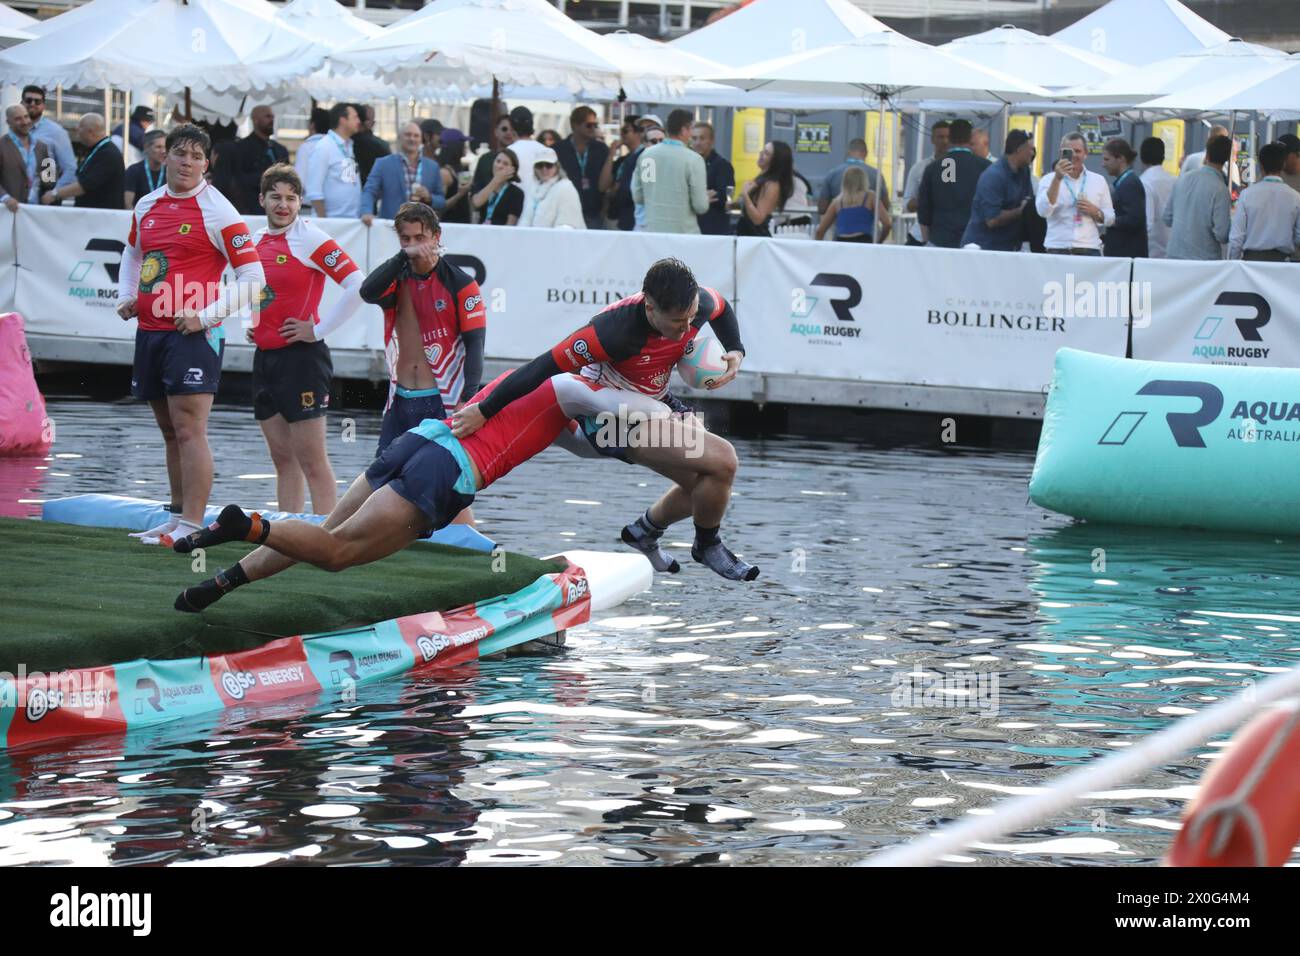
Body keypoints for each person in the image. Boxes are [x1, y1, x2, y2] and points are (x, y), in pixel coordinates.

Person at [171, 370, 674, 612]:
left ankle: (216, 585)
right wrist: (671, 412)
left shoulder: (536, 391)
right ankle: (247, 525)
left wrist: (621, 440)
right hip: (445, 471)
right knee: (337, 554)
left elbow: (587, 447)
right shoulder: (567, 386)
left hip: (421, 439)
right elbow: (607, 402)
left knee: (324, 530)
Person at [451, 258, 758, 582]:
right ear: (650, 308)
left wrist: (735, 349)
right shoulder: (612, 332)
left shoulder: (696, 304)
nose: (686, 331)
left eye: (692, 318)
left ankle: (644, 531)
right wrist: (483, 409)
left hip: (655, 403)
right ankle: (708, 545)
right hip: (610, 423)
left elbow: (721, 309)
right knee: (724, 460)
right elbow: (542, 367)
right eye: (678, 323)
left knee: (708, 487)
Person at [113, 123, 265, 545]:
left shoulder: (220, 210)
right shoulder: (146, 205)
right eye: (180, 154)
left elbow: (253, 278)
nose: (187, 163)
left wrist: (205, 316)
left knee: (189, 429)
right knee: (168, 430)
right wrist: (128, 296)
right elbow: (133, 253)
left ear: (206, 164)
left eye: (197, 157)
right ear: (165, 156)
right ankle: (177, 514)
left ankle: (194, 525)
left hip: (195, 335)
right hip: (151, 330)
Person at [248, 164, 366, 515]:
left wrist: (316, 329)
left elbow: (359, 285)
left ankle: (325, 536)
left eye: (291, 198)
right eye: (275, 198)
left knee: (312, 461)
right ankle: (287, 532)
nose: (283, 205)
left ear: (300, 203)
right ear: (262, 200)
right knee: (283, 460)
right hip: (265, 358)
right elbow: (250, 289)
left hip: (303, 359)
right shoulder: (254, 240)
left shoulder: (311, 237)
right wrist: (251, 322)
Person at [359, 203, 486, 457]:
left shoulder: (460, 283)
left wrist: (468, 399)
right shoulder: (397, 277)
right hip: (399, 399)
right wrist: (403, 256)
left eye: (420, 238)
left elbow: (476, 346)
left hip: (439, 400)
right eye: (406, 239)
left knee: (429, 482)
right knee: (381, 478)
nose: (414, 245)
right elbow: (367, 292)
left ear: (436, 237)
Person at [630, 108, 708, 235]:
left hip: (653, 233)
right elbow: (700, 206)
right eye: (690, 129)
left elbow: (639, 197)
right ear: (683, 130)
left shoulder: (647, 156)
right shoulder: (693, 159)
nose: (691, 135)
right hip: (684, 234)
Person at [1035, 131, 1114, 255]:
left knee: (1082, 276)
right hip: (1058, 248)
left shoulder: (1098, 180)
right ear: (1061, 154)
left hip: (1089, 249)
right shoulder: (1048, 180)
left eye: (1077, 151)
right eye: (1068, 151)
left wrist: (1096, 212)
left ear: (1085, 154)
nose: (1073, 155)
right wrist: (1057, 179)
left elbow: (1110, 218)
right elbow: (1043, 211)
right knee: (1067, 276)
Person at [917, 119, 990, 248]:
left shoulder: (933, 168)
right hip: (974, 240)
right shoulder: (985, 167)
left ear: (950, 138)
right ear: (970, 138)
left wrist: (926, 240)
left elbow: (923, 209)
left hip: (940, 238)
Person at [959, 129, 1035, 252]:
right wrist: (1021, 211)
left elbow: (1028, 201)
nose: (1033, 153)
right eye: (1030, 149)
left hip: (1008, 247)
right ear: (1019, 150)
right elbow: (992, 219)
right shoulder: (994, 176)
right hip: (983, 248)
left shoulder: (1024, 172)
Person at [1228, 142, 1300, 262]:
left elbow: (1236, 238)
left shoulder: (1246, 195)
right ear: (1283, 165)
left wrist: (1233, 262)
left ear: (1261, 165)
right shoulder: (1296, 197)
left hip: (1252, 263)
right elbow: (1299, 237)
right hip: (1283, 263)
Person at [1164, 134, 1231, 261]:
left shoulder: (1183, 178)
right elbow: (1222, 234)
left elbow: (1167, 218)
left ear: (1207, 155)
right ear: (1227, 159)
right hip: (1204, 261)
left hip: (1174, 255)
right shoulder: (1220, 189)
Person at [362, 120, 444, 224]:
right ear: (399, 138)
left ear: (420, 140)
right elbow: (369, 191)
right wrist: (366, 212)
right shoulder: (383, 164)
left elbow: (441, 201)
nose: (412, 139)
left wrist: (429, 197)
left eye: (416, 136)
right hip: (391, 227)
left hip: (422, 229)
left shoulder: (433, 167)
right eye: (408, 135)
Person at [41, 113, 123, 209]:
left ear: (90, 132)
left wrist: (54, 194)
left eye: (80, 127)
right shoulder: (98, 150)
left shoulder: (107, 154)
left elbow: (84, 185)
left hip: (101, 217)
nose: (77, 131)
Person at [226, 104, 290, 216]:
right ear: (255, 120)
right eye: (268, 116)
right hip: (252, 210)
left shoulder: (280, 149)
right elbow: (237, 180)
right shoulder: (241, 148)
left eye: (273, 117)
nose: (272, 120)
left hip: (280, 210)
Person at [554, 105, 610, 230]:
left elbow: (606, 183)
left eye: (595, 125)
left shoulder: (601, 149)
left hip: (594, 212)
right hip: (566, 211)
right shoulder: (558, 149)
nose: (593, 129)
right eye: (589, 125)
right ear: (575, 125)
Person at [305, 102, 361, 219]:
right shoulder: (324, 146)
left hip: (350, 219)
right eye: (355, 117)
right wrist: (324, 220)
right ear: (342, 120)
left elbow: (348, 180)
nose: (359, 121)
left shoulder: (348, 146)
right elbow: (314, 190)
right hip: (331, 222)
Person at [903, 121, 950, 246]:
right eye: (940, 137)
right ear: (932, 139)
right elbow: (907, 204)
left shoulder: (959, 167)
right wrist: (927, 200)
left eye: (948, 137)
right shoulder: (919, 168)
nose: (945, 141)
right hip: (920, 235)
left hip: (949, 234)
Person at [815, 165, 889, 243]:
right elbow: (887, 224)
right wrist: (880, 242)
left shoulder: (837, 201)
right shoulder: (870, 197)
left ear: (845, 181)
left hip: (841, 242)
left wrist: (819, 249)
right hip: (863, 241)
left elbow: (820, 231)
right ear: (864, 180)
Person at [735, 140, 793, 238]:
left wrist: (745, 195)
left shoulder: (772, 185)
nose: (761, 154)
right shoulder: (762, 179)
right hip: (747, 235)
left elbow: (758, 219)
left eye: (766, 153)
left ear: (775, 160)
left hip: (755, 237)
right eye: (762, 151)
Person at [1100, 137, 1147, 258]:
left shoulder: (1130, 184)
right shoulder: (1126, 183)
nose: (1103, 164)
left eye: (1106, 159)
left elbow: (1135, 219)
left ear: (1120, 158)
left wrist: (1109, 220)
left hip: (1126, 255)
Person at [0, 104, 53, 210]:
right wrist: (5, 198)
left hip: (36, 210)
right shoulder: (1, 145)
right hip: (8, 210)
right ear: (8, 122)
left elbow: (49, 180)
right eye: (18, 119)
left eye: (26, 116)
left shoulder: (42, 147)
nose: (24, 122)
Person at [23, 85, 76, 190]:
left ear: (43, 106)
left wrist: (54, 193)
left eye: (37, 101)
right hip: (16, 198)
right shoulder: (15, 130)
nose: (32, 104)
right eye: (28, 100)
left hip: (44, 197)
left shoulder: (57, 132)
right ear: (22, 103)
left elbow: (70, 169)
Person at [521, 147, 585, 229]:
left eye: (549, 165)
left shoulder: (566, 187)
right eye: (540, 166)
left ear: (556, 167)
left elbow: (567, 223)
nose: (544, 169)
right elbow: (525, 219)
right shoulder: (532, 187)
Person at [691, 121, 734, 236]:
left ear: (712, 141)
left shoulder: (723, 165)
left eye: (702, 138)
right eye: (694, 138)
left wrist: (696, 195)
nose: (697, 143)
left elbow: (726, 197)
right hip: (692, 228)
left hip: (715, 230)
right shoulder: (689, 164)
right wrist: (702, 195)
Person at [819, 138, 881, 217]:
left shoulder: (832, 174)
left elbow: (822, 208)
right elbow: (885, 206)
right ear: (866, 153)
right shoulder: (876, 175)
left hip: (840, 225)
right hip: (866, 226)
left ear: (848, 152)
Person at [600, 114, 642, 231]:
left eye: (625, 130)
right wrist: (611, 153)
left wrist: (615, 190)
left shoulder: (643, 157)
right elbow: (603, 186)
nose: (621, 134)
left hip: (631, 218)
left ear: (638, 133)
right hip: (615, 216)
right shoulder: (622, 161)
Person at [505, 106, 547, 214]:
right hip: (541, 209)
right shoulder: (546, 151)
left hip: (514, 210)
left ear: (511, 126)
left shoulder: (509, 152)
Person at [1138, 136, 1175, 259]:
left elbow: (1146, 223)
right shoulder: (1174, 181)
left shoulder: (1144, 182)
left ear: (1141, 157)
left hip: (1151, 252)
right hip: (1171, 248)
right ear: (1163, 157)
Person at [470, 148, 524, 225]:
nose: (500, 166)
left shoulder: (516, 193)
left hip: (500, 234)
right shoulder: (483, 184)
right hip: (480, 232)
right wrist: (495, 181)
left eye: (505, 164)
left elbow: (511, 224)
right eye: (498, 161)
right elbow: (476, 203)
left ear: (512, 169)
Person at [294, 107, 331, 215]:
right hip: (334, 207)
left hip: (310, 207)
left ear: (312, 125)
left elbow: (300, 181)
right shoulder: (336, 146)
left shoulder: (306, 147)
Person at [470, 113, 514, 196]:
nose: (508, 133)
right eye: (504, 129)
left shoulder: (519, 158)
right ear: (496, 132)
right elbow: (475, 191)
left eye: (512, 130)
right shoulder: (485, 159)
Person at [436, 128, 472, 225]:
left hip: (461, 226)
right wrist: (460, 194)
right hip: (451, 227)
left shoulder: (458, 169)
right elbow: (439, 208)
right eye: (463, 144)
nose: (465, 147)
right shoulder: (444, 173)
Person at [123, 129, 167, 209]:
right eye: (158, 147)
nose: (163, 151)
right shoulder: (133, 171)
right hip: (140, 217)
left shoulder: (170, 172)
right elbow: (128, 204)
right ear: (146, 147)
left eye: (165, 147)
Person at [351, 104, 391, 186]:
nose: (363, 122)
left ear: (373, 123)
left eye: (367, 119)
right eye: (361, 118)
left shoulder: (381, 146)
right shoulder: (347, 142)